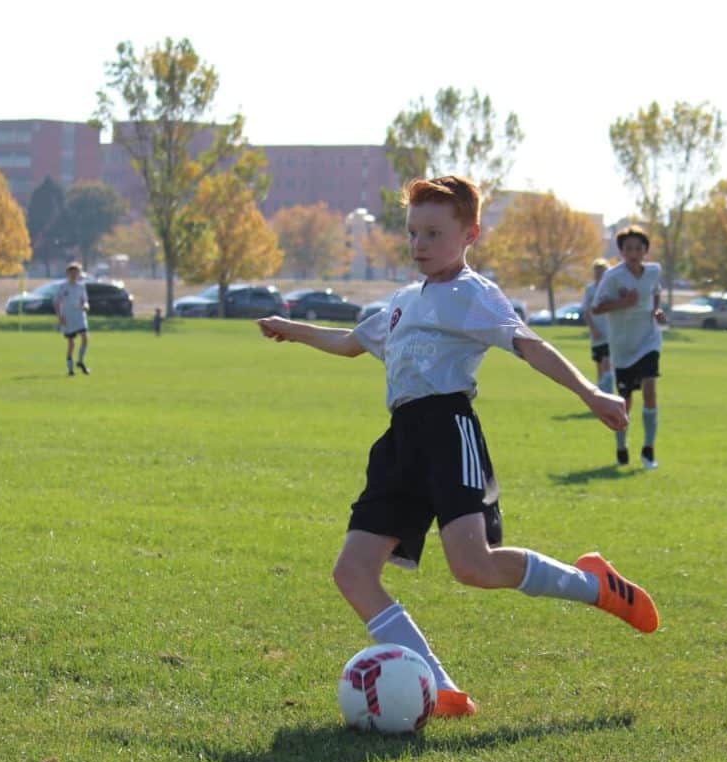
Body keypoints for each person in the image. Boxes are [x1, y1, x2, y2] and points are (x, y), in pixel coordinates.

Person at [257, 176, 660, 718]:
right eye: (413, 232)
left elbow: (529, 346)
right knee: (352, 572)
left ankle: (594, 584)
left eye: (433, 233)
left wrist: (589, 392)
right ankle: (440, 688)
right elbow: (349, 343)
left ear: (469, 234)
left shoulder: (473, 294)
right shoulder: (400, 303)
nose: (419, 244)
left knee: (473, 565)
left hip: (449, 431)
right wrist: (292, 328)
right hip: (399, 442)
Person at [590, 225, 666, 469]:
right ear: (621, 251)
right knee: (624, 402)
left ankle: (649, 449)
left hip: (648, 340)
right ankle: (622, 446)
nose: (634, 253)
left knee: (650, 388)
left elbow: (655, 292)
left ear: (645, 250)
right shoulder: (613, 277)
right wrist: (623, 303)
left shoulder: (653, 271)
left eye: (638, 248)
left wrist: (656, 310)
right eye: (628, 248)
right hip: (622, 347)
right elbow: (596, 308)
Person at [582, 260, 615, 395]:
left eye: (601, 272)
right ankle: (602, 396)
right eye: (596, 272)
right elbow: (586, 311)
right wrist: (593, 329)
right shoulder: (590, 290)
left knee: (607, 362)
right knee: (599, 366)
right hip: (597, 334)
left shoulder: (611, 289)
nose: (598, 275)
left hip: (610, 333)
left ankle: (608, 392)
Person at [55, 263, 90, 375]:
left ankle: (80, 361)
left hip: (79, 316)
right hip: (68, 317)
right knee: (71, 343)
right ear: (68, 274)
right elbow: (57, 302)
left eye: (76, 272)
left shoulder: (81, 287)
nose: (74, 275)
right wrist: (60, 316)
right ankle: (70, 369)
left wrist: (86, 306)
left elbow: (85, 300)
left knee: (85, 338)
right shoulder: (63, 287)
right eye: (72, 273)